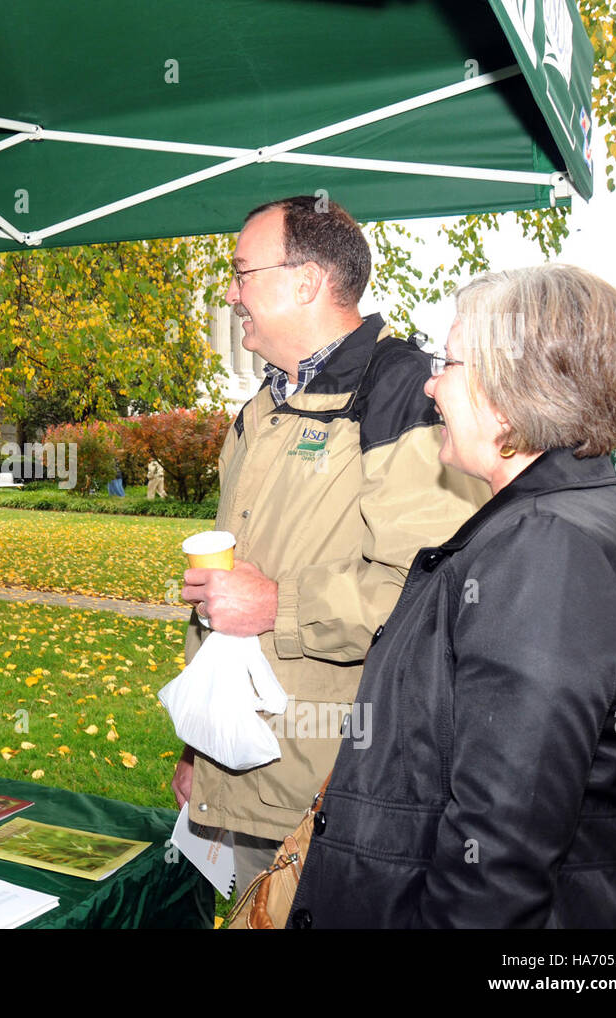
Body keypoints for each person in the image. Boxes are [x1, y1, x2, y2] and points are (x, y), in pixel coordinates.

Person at [288, 266, 616, 928]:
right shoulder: (554, 519)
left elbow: (496, 868)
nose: (431, 386)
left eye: (449, 362)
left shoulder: (549, 548)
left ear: (510, 388)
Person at [176, 195, 486, 882]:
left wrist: (278, 607)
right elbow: (230, 598)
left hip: (344, 797)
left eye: (241, 272)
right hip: (244, 782)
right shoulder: (262, 406)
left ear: (306, 281)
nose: (230, 294)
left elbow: (426, 597)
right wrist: (200, 750)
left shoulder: (407, 394)